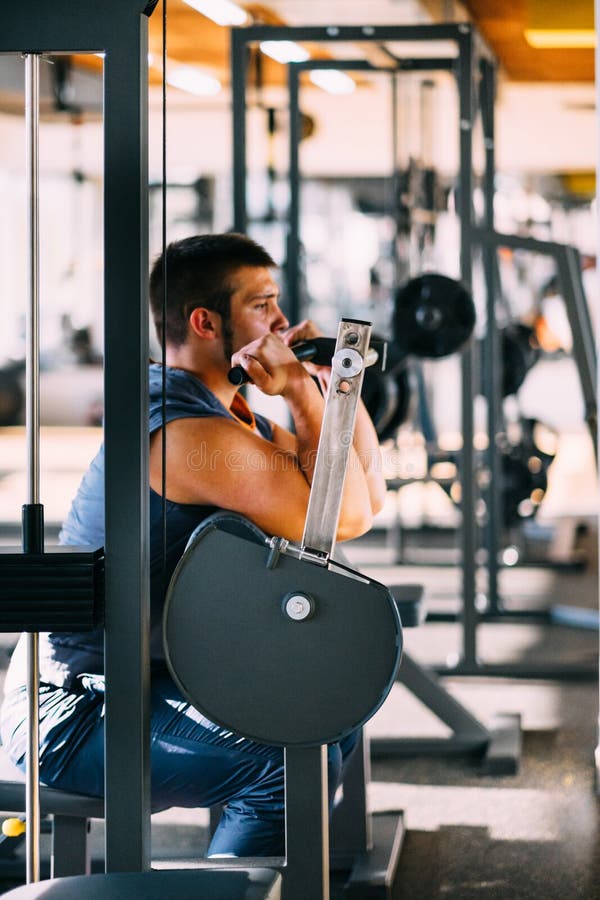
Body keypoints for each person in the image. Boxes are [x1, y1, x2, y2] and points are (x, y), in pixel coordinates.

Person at [0, 233, 386, 857]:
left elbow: (365, 498)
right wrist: (301, 395)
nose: (283, 322)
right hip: (72, 712)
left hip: (141, 681)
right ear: (206, 322)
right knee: (284, 762)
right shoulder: (186, 433)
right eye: (263, 306)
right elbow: (341, 516)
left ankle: (287, 877)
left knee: (332, 718)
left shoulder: (227, 416)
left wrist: (331, 384)